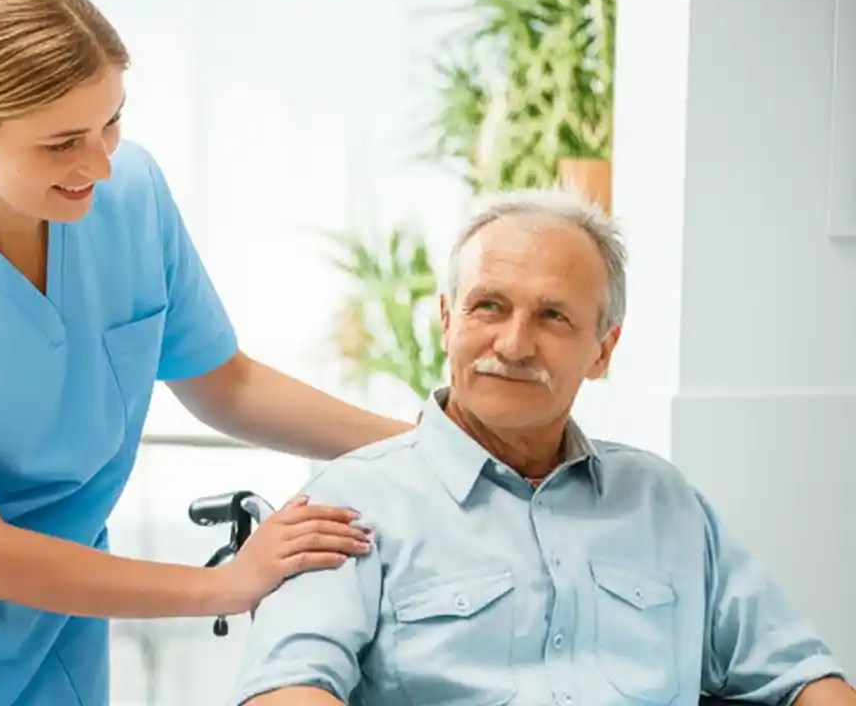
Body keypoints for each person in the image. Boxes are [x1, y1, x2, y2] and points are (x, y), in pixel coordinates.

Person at [0, 0, 410, 704]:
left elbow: (225, 384)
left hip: (58, 615)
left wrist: (420, 447)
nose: (99, 164)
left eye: (110, 123)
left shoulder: (126, 192)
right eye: (61, 143)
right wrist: (223, 585)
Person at [231, 190, 854, 706]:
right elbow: (286, 690)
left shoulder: (664, 502)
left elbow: (804, 677)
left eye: (553, 316)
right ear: (448, 319)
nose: (515, 343)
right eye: (489, 307)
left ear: (602, 350)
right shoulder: (351, 502)